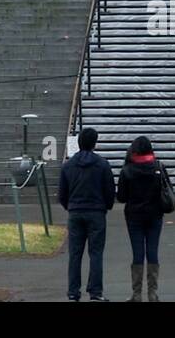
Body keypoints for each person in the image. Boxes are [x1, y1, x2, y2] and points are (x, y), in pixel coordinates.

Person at [58, 128, 115, 302]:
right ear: (94, 143)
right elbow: (110, 191)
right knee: (96, 253)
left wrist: (71, 206)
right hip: (96, 212)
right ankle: (95, 292)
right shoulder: (102, 164)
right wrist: (106, 206)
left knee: (75, 254)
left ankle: (73, 292)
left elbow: (62, 194)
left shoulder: (68, 165)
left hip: (75, 211)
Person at [116, 136, 167, 302]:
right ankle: (152, 293)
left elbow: (122, 197)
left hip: (134, 217)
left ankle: (136, 294)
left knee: (137, 253)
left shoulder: (128, 170)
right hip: (155, 216)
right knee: (152, 252)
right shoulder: (158, 167)